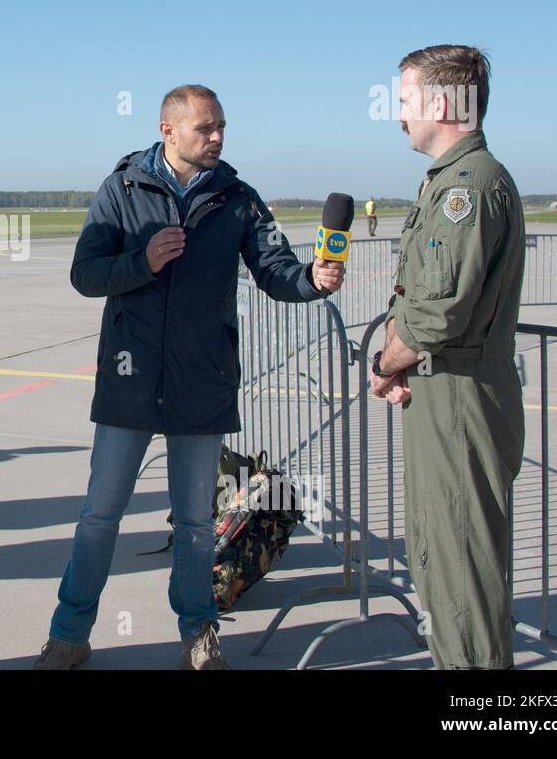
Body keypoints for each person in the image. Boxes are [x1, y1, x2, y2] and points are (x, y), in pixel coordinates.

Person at [34, 84, 345, 670]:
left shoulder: (237, 197)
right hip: (130, 380)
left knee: (197, 521)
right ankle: (69, 634)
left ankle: (199, 636)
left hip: (202, 380)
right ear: (168, 130)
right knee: (101, 514)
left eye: (222, 126)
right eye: (206, 128)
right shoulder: (122, 189)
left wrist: (311, 280)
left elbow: (275, 269)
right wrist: (142, 262)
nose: (218, 137)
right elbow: (85, 272)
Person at [369, 45, 525, 669]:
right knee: (441, 555)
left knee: (461, 577)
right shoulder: (452, 180)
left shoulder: (467, 187)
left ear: (440, 103)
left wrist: (386, 364)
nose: (397, 114)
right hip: (442, 393)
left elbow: (438, 312)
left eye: (403, 100)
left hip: (459, 398)